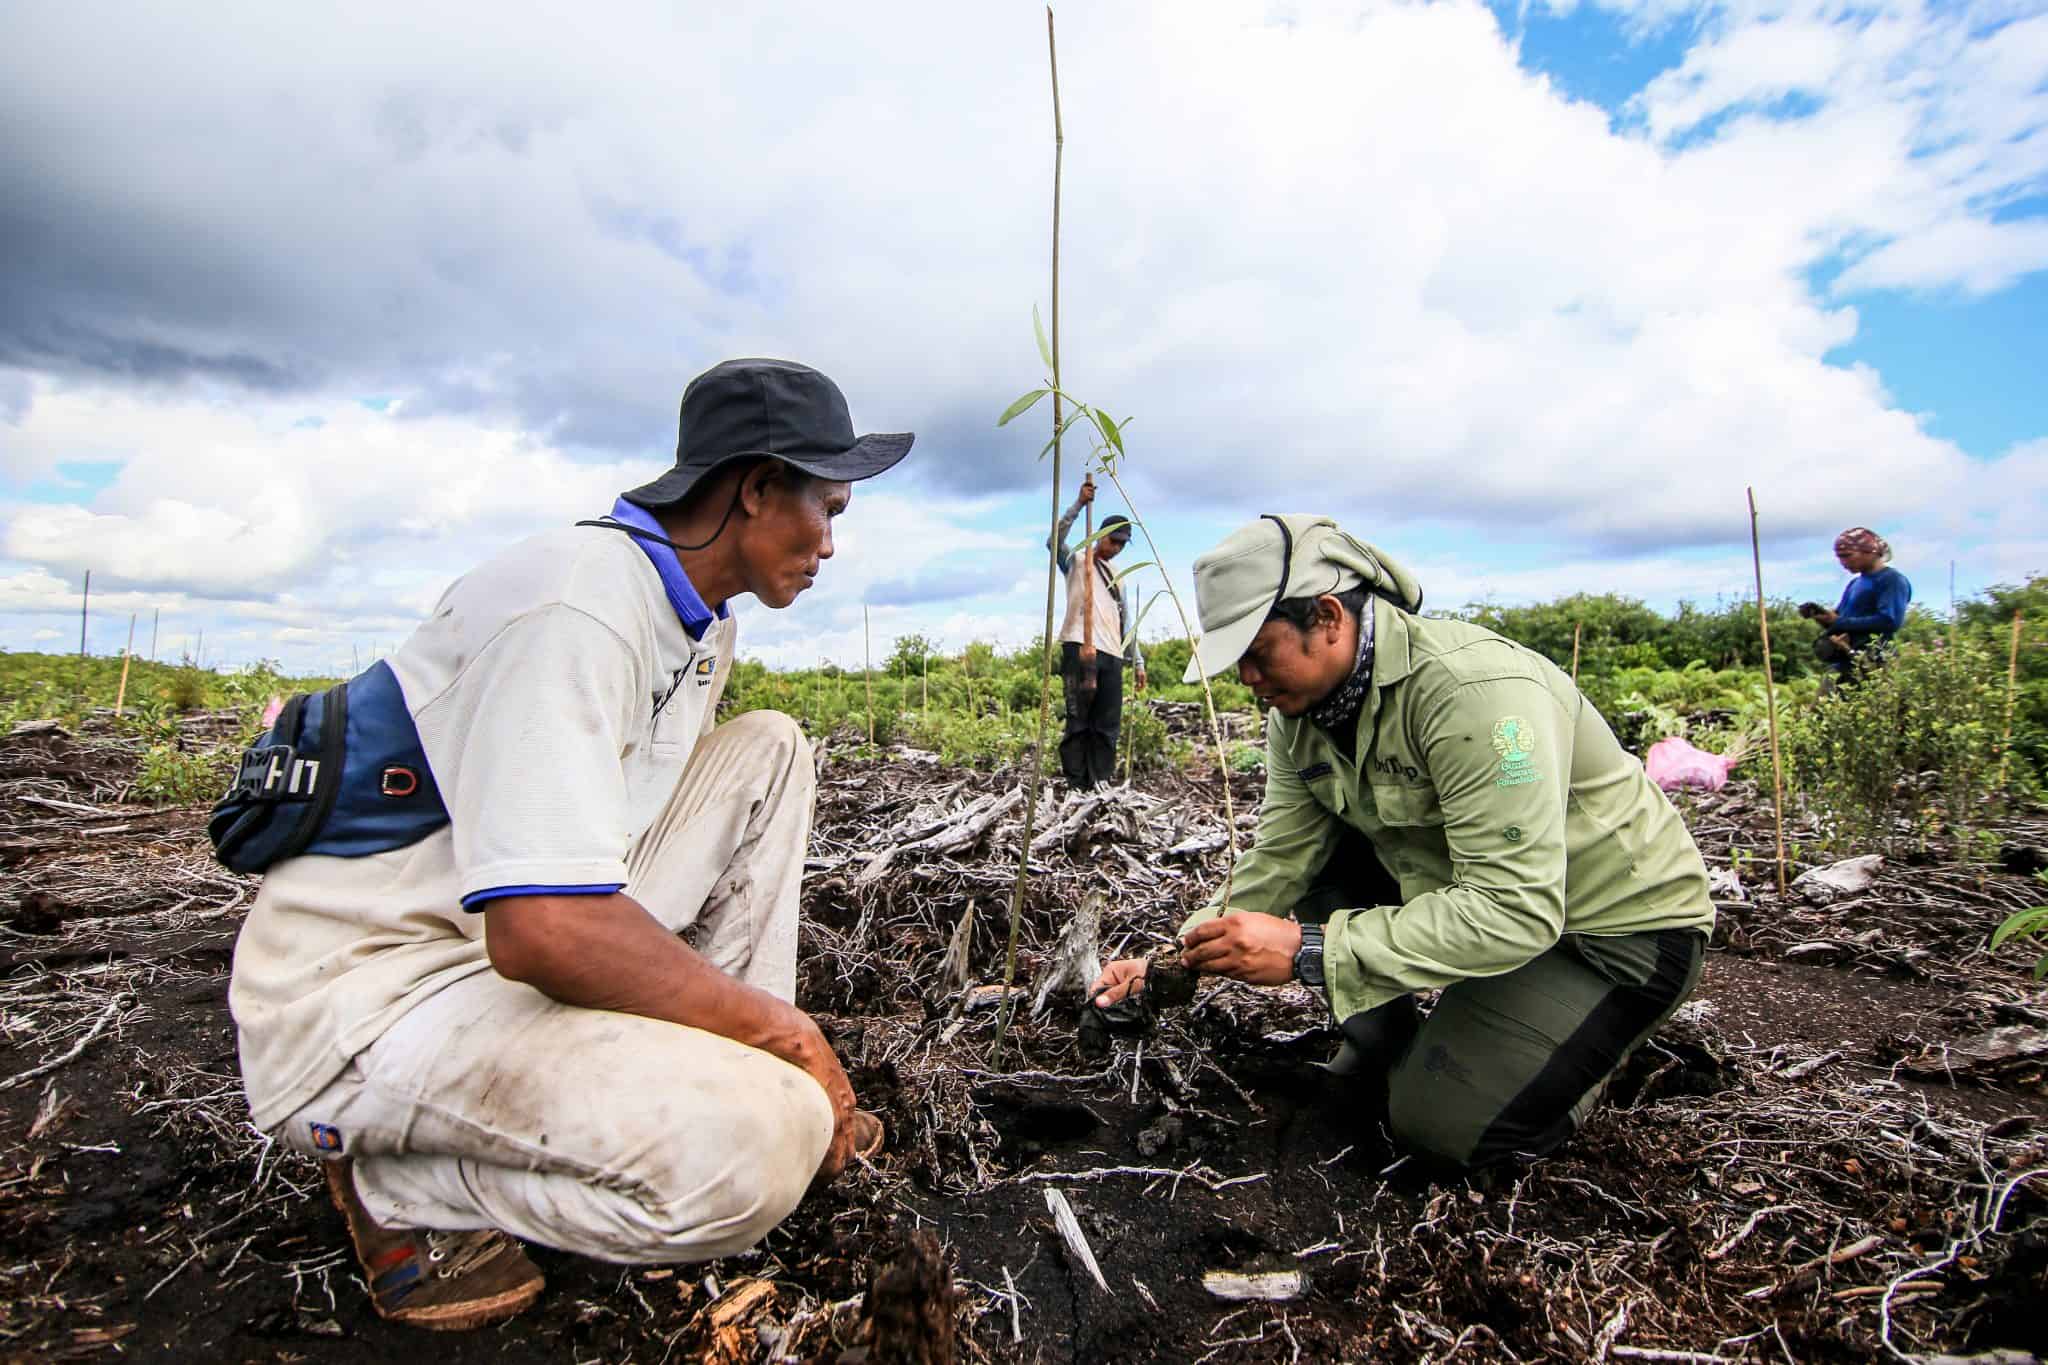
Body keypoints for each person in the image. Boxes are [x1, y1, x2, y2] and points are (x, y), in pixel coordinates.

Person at [225, 359, 911, 1329]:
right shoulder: (576, 606)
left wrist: (745, 1027)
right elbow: (543, 929)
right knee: (756, 1152)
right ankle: (395, 1183)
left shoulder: (694, 622)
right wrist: (784, 1034)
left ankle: (718, 1076)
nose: (830, 546)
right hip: (372, 995)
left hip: (481, 936)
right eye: (826, 508)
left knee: (768, 751)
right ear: (755, 489)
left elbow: (592, 859)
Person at [1090, 516, 1715, 1172]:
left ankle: (1581, 1049)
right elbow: (1280, 860)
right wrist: (1171, 960)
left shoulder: (1473, 696)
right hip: (1493, 910)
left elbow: (1516, 908)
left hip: (1616, 936)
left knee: (1437, 1126)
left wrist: (1309, 950)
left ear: (1328, 616)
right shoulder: (1299, 717)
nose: (1247, 677)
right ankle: (1392, 1050)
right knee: (1324, 866)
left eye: (1256, 650)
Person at [1048, 478, 1146, 787]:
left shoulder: (1119, 575)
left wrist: (1138, 661)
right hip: (1079, 647)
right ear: (1101, 536)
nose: (1115, 549)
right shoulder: (1077, 561)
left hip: (1112, 654)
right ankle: (1076, 784)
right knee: (1078, 721)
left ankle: (1100, 783)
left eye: (1121, 544)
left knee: (1107, 725)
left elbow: (1126, 621)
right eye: (1112, 541)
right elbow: (1053, 541)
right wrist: (1078, 505)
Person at [1802, 527, 1911, 684]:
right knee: (1822, 707)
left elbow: (1889, 621)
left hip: (1874, 662)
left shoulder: (1891, 580)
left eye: (1847, 556)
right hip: (1845, 662)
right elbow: (1841, 620)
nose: (1843, 562)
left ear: (1870, 552)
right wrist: (1821, 617)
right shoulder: (1855, 584)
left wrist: (1839, 622)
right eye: (1839, 557)